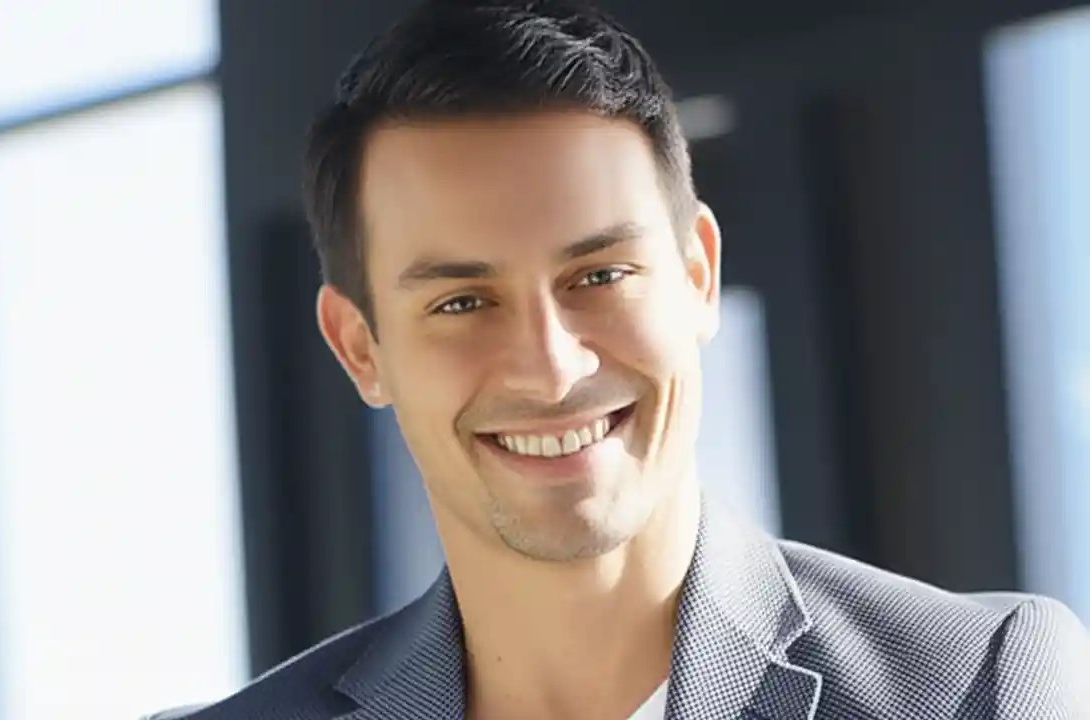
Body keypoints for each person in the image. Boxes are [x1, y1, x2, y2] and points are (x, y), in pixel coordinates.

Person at [148, 1, 1089, 718]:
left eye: (598, 276)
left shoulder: (972, 686)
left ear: (698, 275)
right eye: (463, 302)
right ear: (361, 347)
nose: (551, 367)